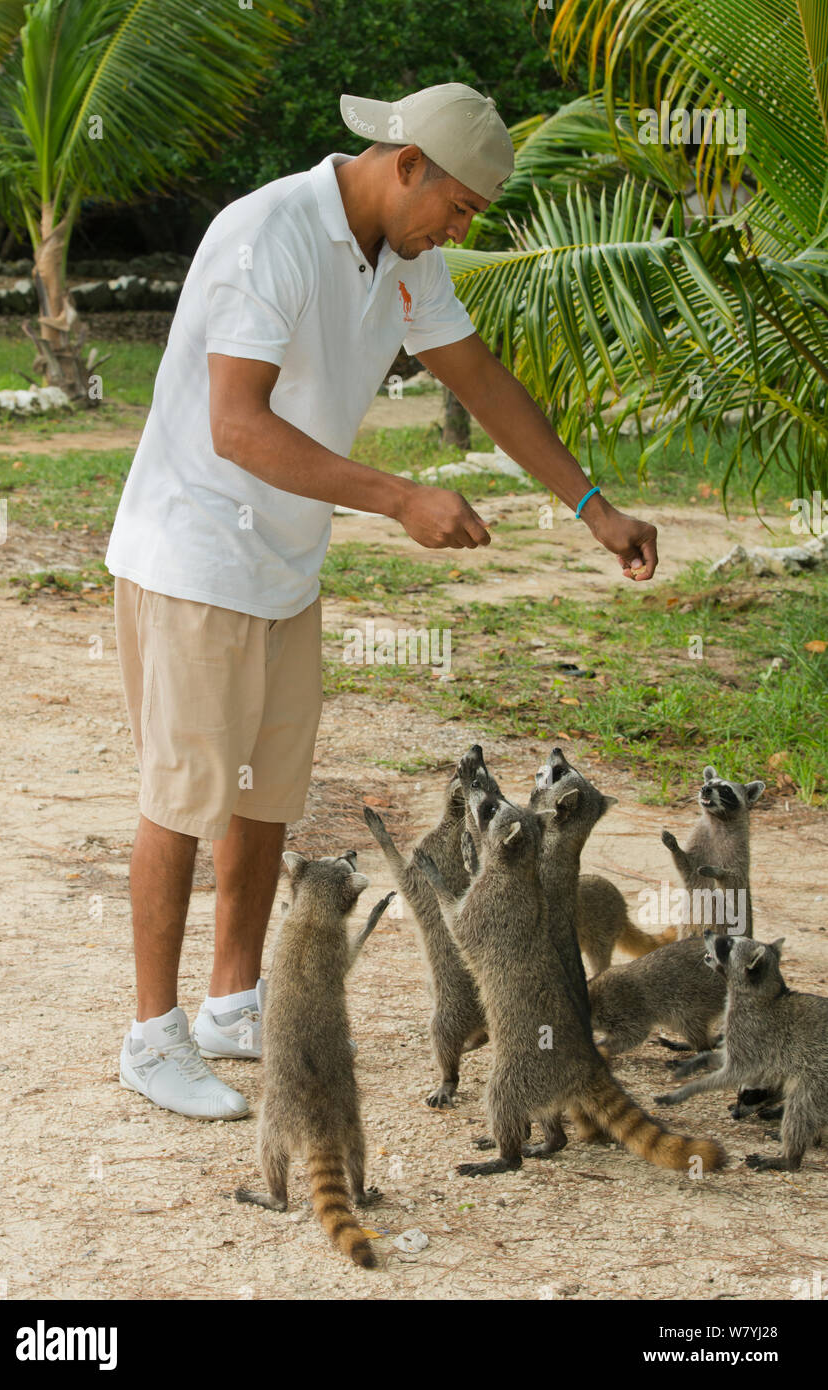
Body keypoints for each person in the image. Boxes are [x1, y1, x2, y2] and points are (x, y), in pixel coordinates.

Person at [105, 82, 658, 1120]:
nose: (458, 229)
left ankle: (231, 1005)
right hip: (191, 555)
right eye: (457, 207)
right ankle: (153, 1033)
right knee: (182, 798)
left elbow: (479, 377)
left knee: (265, 793)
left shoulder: (404, 257)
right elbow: (237, 425)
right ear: (407, 166)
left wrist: (591, 505)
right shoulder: (263, 234)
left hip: (282, 563)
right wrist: (400, 496)